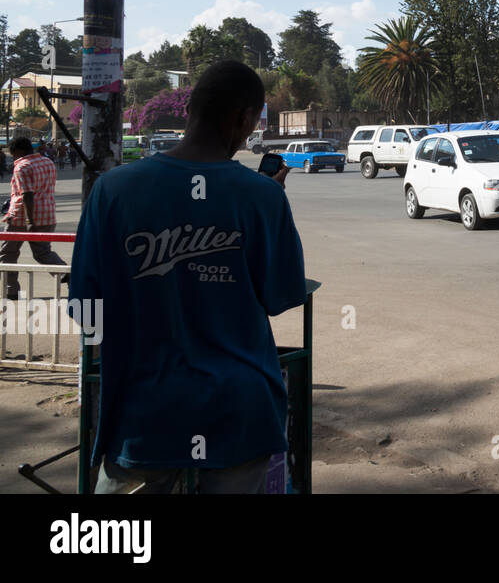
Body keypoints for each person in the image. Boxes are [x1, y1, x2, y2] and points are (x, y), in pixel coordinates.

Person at [69, 60, 307, 493]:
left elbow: (86, 307)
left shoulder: (113, 190)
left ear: (190, 110)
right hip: (237, 415)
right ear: (242, 118)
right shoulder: (263, 197)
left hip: (143, 415)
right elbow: (281, 295)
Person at [2, 137, 67, 301]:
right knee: (43, 253)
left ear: (18, 151)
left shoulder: (22, 167)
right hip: (47, 214)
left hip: (21, 218)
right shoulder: (47, 162)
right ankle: (69, 276)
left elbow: (27, 195)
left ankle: (11, 290)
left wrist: (30, 222)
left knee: (8, 254)